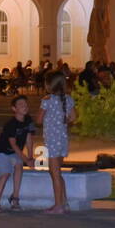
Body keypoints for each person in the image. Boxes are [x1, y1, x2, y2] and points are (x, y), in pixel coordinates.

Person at [38, 72, 77, 215]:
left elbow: (39, 120)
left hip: (51, 140)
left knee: (54, 174)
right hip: (62, 139)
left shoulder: (46, 100)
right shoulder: (68, 99)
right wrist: (63, 121)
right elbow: (73, 117)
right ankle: (64, 202)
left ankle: (58, 205)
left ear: (49, 85)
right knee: (57, 172)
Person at [0, 95, 35, 212]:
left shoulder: (29, 120)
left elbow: (29, 138)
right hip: (1, 151)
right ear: (14, 109)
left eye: (25, 104)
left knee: (19, 166)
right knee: (5, 174)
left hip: (13, 153)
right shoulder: (11, 124)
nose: (24, 106)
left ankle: (15, 198)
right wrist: (26, 160)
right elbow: (13, 144)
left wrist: (30, 156)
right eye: (21, 105)